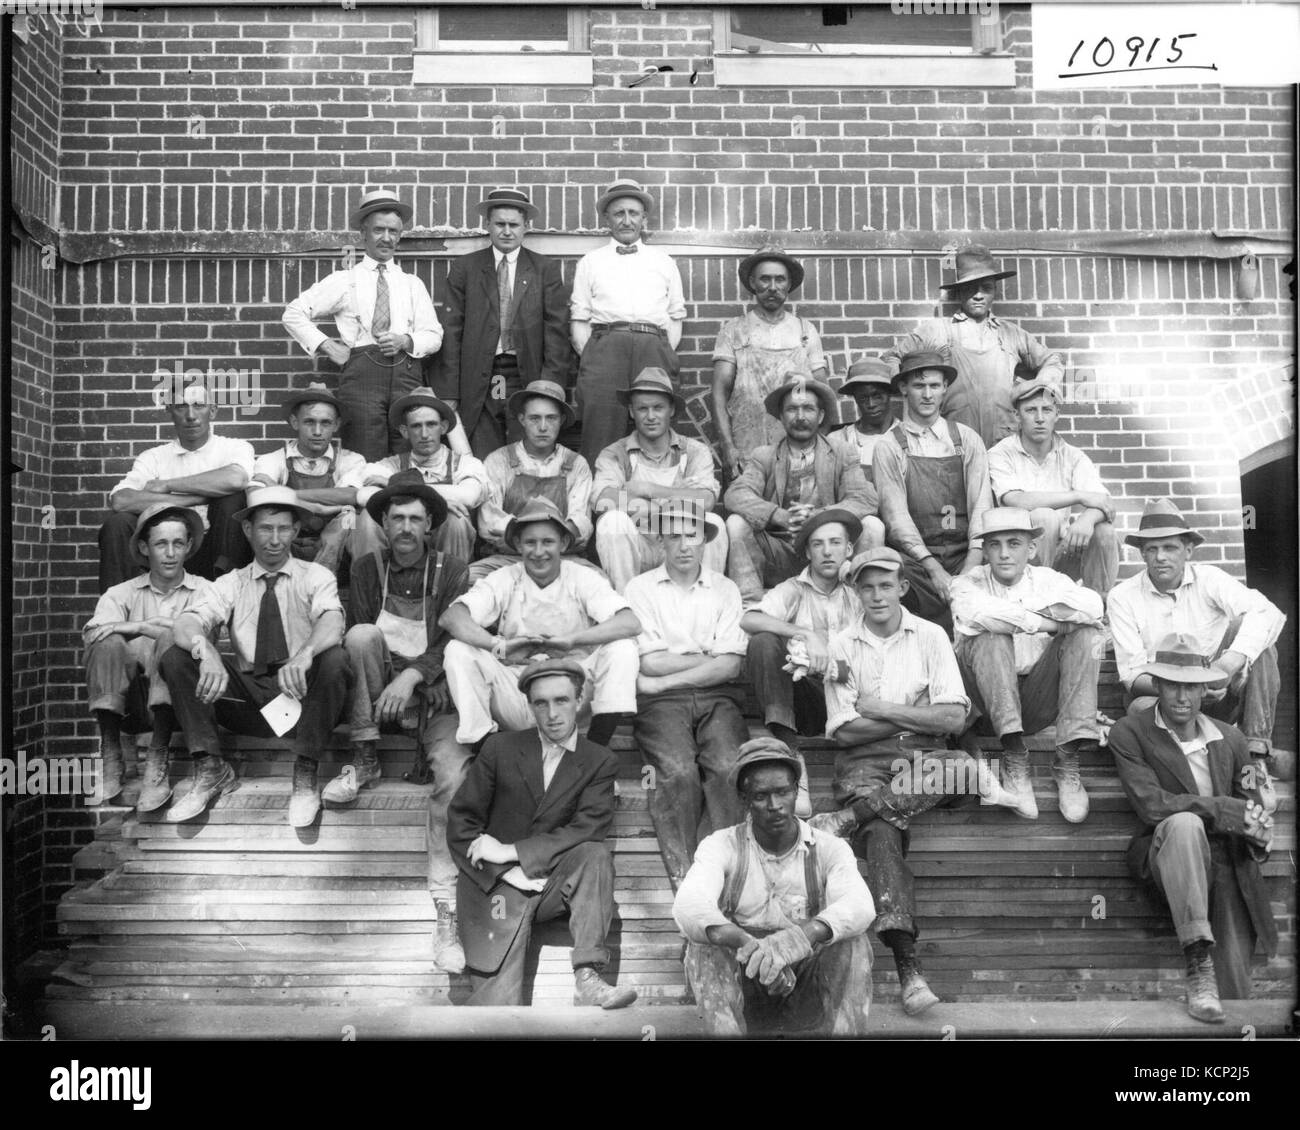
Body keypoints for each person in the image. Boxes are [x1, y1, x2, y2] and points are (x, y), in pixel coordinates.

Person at [810, 548, 1019, 1016]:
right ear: (856, 591)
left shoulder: (931, 635)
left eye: (886, 585)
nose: (877, 595)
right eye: (867, 586)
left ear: (903, 587)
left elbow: (951, 717)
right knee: (882, 832)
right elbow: (843, 730)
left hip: (927, 759)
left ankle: (848, 817)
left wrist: (881, 708)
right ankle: (909, 969)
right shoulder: (842, 645)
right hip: (864, 760)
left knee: (962, 766)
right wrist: (916, 716)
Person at [324, 469, 472, 973]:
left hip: (436, 697)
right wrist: (391, 680)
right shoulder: (367, 569)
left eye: (416, 519)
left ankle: (446, 907)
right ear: (383, 523)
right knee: (362, 635)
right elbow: (362, 634)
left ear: (430, 524)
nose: (406, 527)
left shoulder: (451, 568)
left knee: (454, 776)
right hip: (377, 693)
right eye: (397, 518)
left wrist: (411, 677)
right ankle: (364, 756)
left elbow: (454, 639)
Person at [446, 658, 638, 1009]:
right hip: (497, 891)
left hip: (554, 886)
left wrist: (512, 851)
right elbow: (460, 824)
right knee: (494, 1021)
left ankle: (588, 976)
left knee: (594, 853)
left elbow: (589, 827)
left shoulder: (599, 759)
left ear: (580, 701)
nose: (552, 713)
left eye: (562, 700)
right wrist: (505, 870)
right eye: (541, 703)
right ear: (529, 705)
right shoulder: (499, 749)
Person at [1107, 635, 1278, 1023]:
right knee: (1183, 824)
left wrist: (1258, 832)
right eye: (1172, 685)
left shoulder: (1231, 737)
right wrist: (1226, 811)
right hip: (1165, 852)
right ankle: (1198, 963)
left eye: (1191, 687)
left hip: (1225, 859)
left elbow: (1248, 803)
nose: (1182, 697)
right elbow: (1152, 806)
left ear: (1204, 689)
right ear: (1158, 686)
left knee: (1235, 1000)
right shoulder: (1129, 732)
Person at [161, 486, 354, 827]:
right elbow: (187, 621)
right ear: (248, 530)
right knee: (177, 656)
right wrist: (206, 651)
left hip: (302, 699)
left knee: (334, 659)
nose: (275, 539)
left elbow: (333, 619)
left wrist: (305, 654)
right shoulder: (231, 583)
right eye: (266, 528)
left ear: (295, 531)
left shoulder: (316, 576)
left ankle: (306, 775)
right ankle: (210, 768)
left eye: (283, 529)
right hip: (248, 700)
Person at [672, 738, 876, 1036]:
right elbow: (689, 905)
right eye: (761, 796)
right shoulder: (721, 845)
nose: (775, 806)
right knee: (704, 948)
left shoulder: (829, 848)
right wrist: (750, 947)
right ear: (744, 799)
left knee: (853, 944)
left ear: (796, 791)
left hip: (806, 980)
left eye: (783, 792)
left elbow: (860, 905)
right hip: (746, 982)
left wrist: (798, 939)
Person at [440, 497, 641, 749]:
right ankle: (484, 747)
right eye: (530, 543)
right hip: (520, 691)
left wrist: (572, 641)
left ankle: (597, 748)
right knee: (458, 650)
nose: (538, 552)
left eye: (547, 542)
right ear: (517, 544)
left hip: (574, 689)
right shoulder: (504, 578)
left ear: (564, 543)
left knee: (623, 648)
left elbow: (629, 622)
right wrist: (500, 646)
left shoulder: (582, 577)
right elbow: (452, 617)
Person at [950, 507, 1105, 823]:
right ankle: (1014, 757)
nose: (1004, 553)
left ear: (1032, 548)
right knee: (990, 636)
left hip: (1035, 699)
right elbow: (974, 616)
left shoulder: (1049, 580)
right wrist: (1048, 621)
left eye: (1014, 543)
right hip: (983, 707)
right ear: (985, 550)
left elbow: (1093, 607)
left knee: (1088, 637)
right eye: (995, 544)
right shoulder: (966, 583)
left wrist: (1020, 613)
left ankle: (1067, 761)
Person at [624, 505, 749, 888]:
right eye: (673, 536)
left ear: (705, 541)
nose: (683, 545)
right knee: (677, 772)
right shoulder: (639, 588)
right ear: (661, 541)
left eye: (691, 535)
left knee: (729, 768)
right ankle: (685, 877)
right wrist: (704, 657)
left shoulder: (725, 589)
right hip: (662, 707)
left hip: (717, 698)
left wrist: (664, 674)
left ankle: (724, 872)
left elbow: (730, 668)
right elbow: (649, 660)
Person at [1109, 499, 1286, 759]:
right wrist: (1190, 687)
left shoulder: (1210, 580)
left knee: (1259, 636)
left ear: (1188, 550)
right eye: (1152, 549)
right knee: (1139, 708)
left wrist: (1228, 664)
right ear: (1142, 553)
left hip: (1218, 694)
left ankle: (1255, 753)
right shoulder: (1122, 596)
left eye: (1170, 547)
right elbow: (1132, 678)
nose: (1160, 557)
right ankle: (1199, 765)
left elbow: (1269, 613)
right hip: (1163, 700)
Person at [282, 189, 442, 461]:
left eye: (393, 231)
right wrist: (327, 345)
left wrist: (406, 341)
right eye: (379, 230)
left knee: (409, 450)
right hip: (361, 378)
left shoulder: (412, 284)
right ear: (363, 233)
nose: (387, 238)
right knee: (364, 454)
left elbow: (434, 335)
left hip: (406, 373)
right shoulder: (345, 280)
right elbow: (294, 313)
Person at [84, 505, 213, 808]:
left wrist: (142, 626)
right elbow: (92, 636)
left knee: (170, 639)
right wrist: (130, 630)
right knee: (107, 642)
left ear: (189, 546)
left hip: (185, 705)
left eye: (178, 543)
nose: (170, 553)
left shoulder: (206, 591)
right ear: (144, 547)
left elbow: (201, 643)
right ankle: (111, 751)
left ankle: (158, 757)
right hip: (131, 704)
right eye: (160, 544)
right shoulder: (120, 593)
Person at [739, 507, 863, 818]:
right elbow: (750, 619)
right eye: (818, 544)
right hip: (809, 701)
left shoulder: (860, 591)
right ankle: (792, 757)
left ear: (849, 549)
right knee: (764, 642)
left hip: (854, 699)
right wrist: (804, 633)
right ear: (807, 552)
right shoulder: (793, 589)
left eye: (835, 543)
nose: (827, 552)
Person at [434, 187, 573, 460]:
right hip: (482, 376)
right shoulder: (467, 268)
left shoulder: (544, 269)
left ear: (526, 227)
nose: (507, 231)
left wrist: (550, 387)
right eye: (500, 224)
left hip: (526, 374)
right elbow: (451, 331)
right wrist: (449, 390)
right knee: (486, 452)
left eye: (514, 225)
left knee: (525, 451)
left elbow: (557, 332)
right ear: (487, 225)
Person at [883, 245, 1064, 450]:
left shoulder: (1011, 334)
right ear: (959, 292)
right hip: (954, 444)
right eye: (971, 288)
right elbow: (891, 358)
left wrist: (1038, 388)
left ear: (994, 291)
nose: (978, 295)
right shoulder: (939, 330)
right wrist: (910, 395)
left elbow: (1052, 361)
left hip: (1004, 444)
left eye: (986, 288)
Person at [724, 377, 879, 606]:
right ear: (781, 416)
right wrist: (780, 516)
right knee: (736, 522)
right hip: (780, 552)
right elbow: (736, 495)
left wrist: (820, 517)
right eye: (792, 409)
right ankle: (750, 607)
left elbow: (865, 499)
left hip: (828, 549)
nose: (800, 417)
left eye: (808, 408)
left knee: (873, 526)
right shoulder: (764, 456)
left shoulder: (842, 453)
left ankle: (860, 603)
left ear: (821, 415)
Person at [873, 350, 994, 631]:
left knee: (999, 568)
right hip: (918, 560)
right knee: (892, 571)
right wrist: (933, 569)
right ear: (903, 388)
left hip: (965, 554)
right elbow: (896, 519)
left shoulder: (966, 439)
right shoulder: (889, 446)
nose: (927, 395)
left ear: (944, 389)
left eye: (934, 386)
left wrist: (971, 568)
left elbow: (982, 506)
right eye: (918, 386)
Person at [569, 179, 685, 464]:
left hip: (653, 347)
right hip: (606, 349)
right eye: (619, 213)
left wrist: (659, 348)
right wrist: (596, 354)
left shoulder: (663, 261)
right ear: (607, 218)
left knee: (655, 423)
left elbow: (675, 316)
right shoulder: (591, 261)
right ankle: (599, 503)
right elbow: (579, 318)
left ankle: (659, 499)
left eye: (633, 213)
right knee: (600, 429)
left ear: (643, 218)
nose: (626, 220)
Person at [99, 386, 254, 590]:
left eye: (199, 406)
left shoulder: (234, 447)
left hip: (217, 549)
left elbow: (236, 480)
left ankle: (228, 597)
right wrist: (197, 498)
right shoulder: (153, 457)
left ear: (213, 410)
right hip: (165, 550)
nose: (191, 415)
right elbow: (121, 500)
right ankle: (116, 612)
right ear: (170, 411)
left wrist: (167, 485)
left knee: (231, 500)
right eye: (181, 407)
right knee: (118, 523)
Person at [591, 367, 727, 592]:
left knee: (716, 524)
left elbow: (705, 502)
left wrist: (647, 489)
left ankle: (705, 604)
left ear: (671, 410)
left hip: (680, 544)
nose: (651, 416)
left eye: (658, 408)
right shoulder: (616, 453)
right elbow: (603, 499)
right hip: (640, 545)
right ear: (632, 412)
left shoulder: (694, 451)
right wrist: (676, 499)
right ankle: (626, 612)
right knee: (611, 522)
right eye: (642, 409)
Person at [987, 379, 1118, 599]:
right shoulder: (1001, 453)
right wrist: (1078, 496)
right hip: (1017, 558)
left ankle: (1098, 605)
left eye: (1046, 410)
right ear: (1017, 416)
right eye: (1030, 410)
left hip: (1064, 552)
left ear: (1056, 415)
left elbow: (1104, 502)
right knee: (1044, 517)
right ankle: (1034, 602)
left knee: (1103, 530)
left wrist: (1086, 520)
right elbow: (1018, 500)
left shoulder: (1072, 456)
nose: (1039, 418)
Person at [712, 245, 827, 475]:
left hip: (798, 450)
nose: (773, 287)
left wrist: (820, 448)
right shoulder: (734, 331)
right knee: (747, 508)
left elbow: (823, 395)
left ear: (788, 284)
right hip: (747, 448)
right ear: (753, 283)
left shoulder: (805, 332)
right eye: (765, 279)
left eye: (780, 280)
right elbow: (718, 393)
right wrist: (727, 447)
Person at [346, 389, 487, 565]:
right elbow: (359, 491)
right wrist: (437, 497)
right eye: (416, 426)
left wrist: (394, 484)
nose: (425, 434)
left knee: (454, 519)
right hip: (397, 547)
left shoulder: (466, 464)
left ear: (443, 427)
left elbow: (468, 496)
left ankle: (450, 587)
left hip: (443, 549)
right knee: (367, 518)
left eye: (431, 424)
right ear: (405, 431)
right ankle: (374, 586)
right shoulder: (390, 465)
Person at [474, 378, 594, 582]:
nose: (543, 427)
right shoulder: (498, 460)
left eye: (551, 418)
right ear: (522, 419)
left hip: (563, 560)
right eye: (534, 418)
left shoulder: (576, 464)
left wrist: (531, 540)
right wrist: (537, 541)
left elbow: (581, 525)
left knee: (599, 582)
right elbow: (488, 522)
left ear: (562, 420)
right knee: (467, 578)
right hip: (508, 559)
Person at [251, 384, 363, 574]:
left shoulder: (351, 460)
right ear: (295, 422)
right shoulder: (273, 459)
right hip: (286, 540)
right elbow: (255, 495)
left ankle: (321, 580)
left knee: (350, 517)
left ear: (336, 425)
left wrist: (283, 493)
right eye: (309, 422)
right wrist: (319, 507)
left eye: (326, 423)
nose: (317, 431)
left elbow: (350, 495)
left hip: (336, 548)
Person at [827, 357, 896, 486]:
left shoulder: (909, 436)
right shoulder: (838, 441)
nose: (871, 404)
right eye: (863, 398)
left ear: (889, 393)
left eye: (877, 396)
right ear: (855, 398)